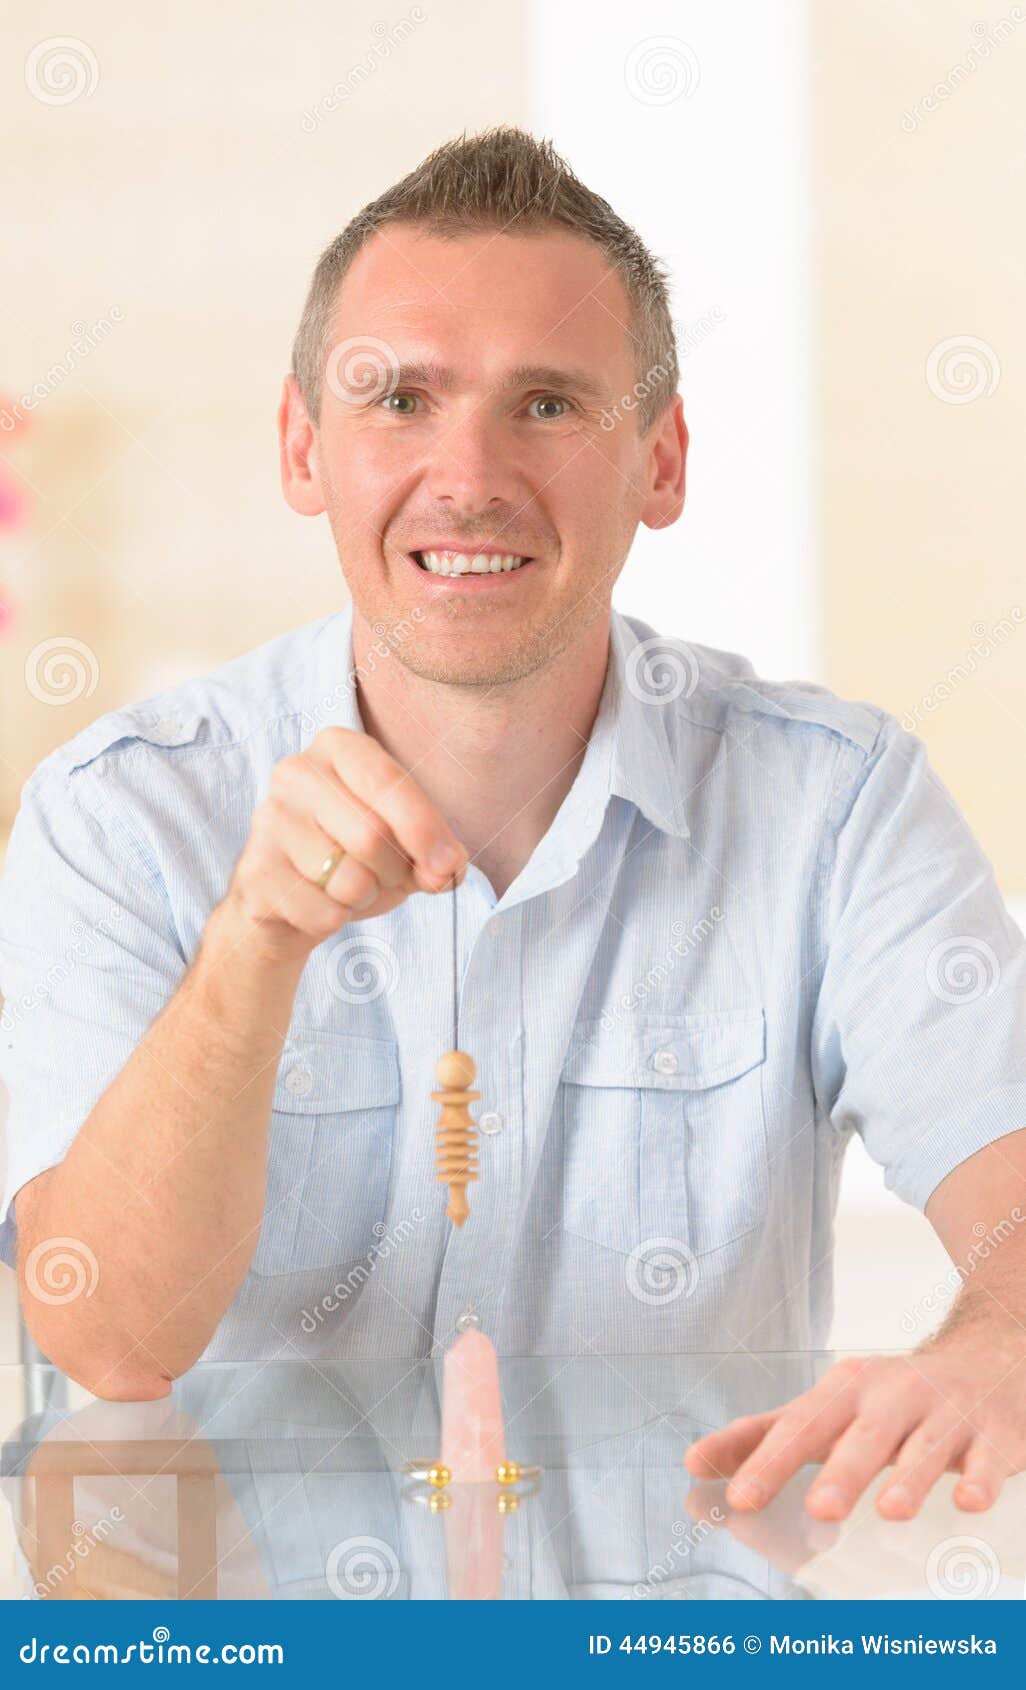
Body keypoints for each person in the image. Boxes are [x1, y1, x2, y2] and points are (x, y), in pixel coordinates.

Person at [2, 127, 1025, 1527]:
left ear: (659, 461)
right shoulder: (118, 811)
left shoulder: (836, 804)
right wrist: (251, 948)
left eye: (545, 404)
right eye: (400, 400)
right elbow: (105, 1339)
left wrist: (998, 1343)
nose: (467, 473)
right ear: (305, 448)